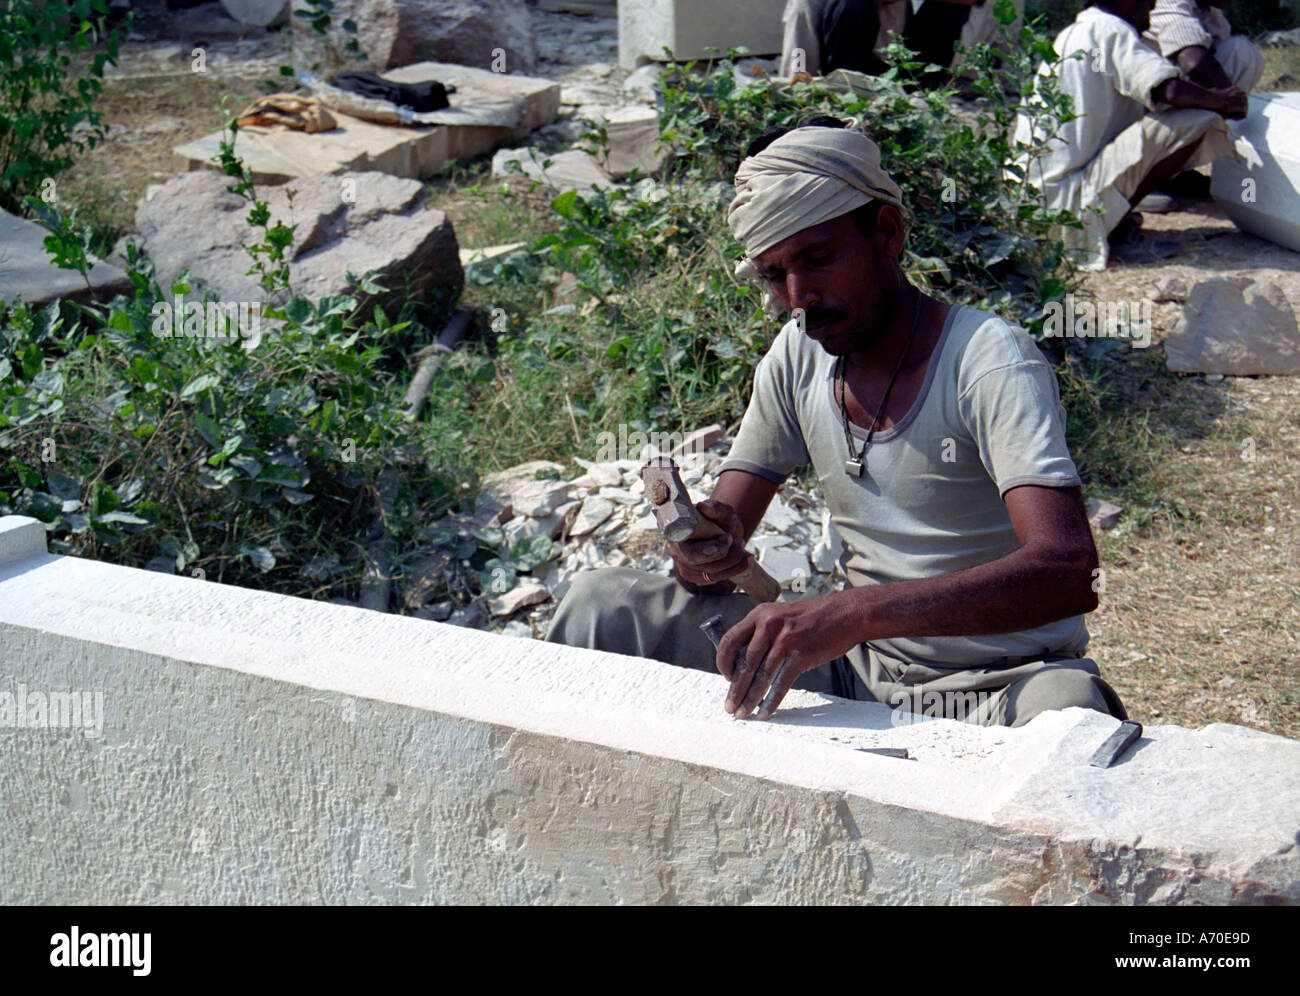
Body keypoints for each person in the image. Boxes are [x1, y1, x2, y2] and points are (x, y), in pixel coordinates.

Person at [547, 121, 1128, 729]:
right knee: (598, 606)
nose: (799, 297)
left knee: (1069, 714)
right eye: (774, 275)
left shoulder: (988, 360)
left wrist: (854, 612)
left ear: (886, 235)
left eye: (818, 259)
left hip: (1001, 685)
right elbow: (721, 534)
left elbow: (1068, 572)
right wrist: (704, 551)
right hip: (855, 672)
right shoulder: (798, 355)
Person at [1012, 0, 1247, 269]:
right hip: (1067, 207)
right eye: (1147, 3)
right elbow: (1167, 90)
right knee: (1198, 117)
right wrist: (1221, 101)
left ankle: (1111, 214)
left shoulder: (1078, 31)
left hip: (1035, 205)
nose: (1150, 11)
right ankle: (1112, 228)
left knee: (1180, 113)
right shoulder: (1110, 29)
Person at [1146, 0, 1265, 94]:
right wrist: (1228, 101)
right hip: (1147, 101)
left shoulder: (1211, 11)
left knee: (1240, 51)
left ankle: (1219, 119)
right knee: (1241, 50)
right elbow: (1193, 62)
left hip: (1175, 88)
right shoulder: (1171, 3)